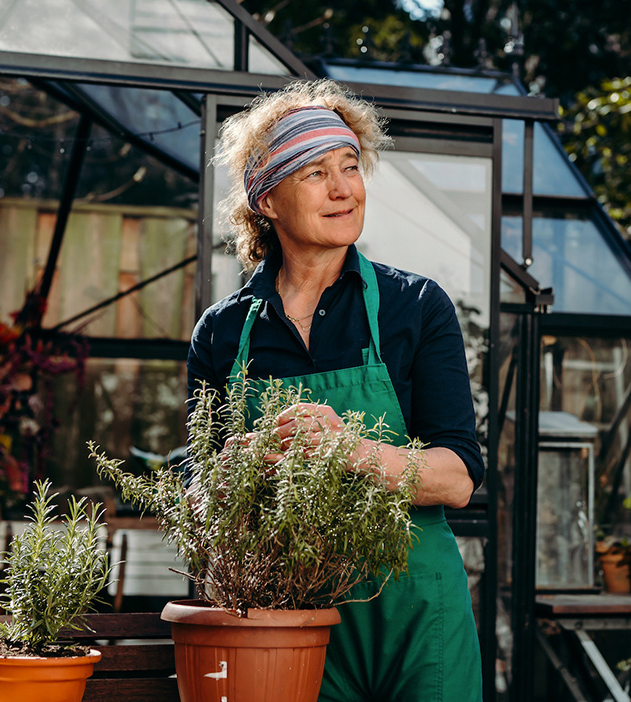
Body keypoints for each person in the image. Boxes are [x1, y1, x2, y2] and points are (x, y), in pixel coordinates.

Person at [187, 79, 484, 701]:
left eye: (351, 167)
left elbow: (457, 478)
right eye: (316, 173)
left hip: (415, 614)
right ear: (267, 200)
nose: (344, 188)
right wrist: (236, 469)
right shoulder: (223, 332)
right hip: (288, 614)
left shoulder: (414, 307)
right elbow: (195, 492)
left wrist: (344, 451)